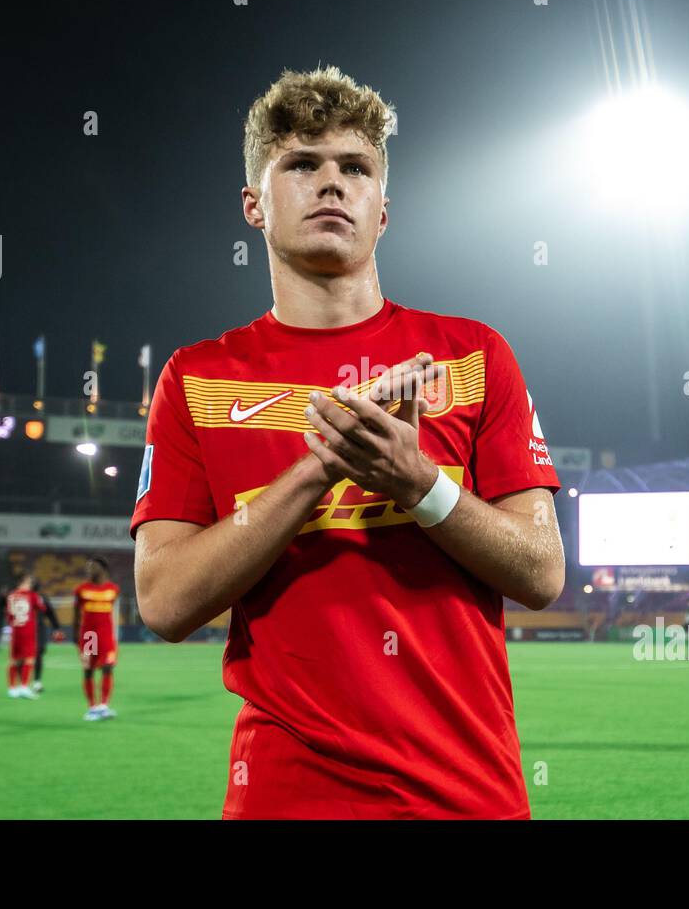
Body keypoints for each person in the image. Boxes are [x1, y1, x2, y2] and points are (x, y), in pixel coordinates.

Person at [131, 66, 564, 819]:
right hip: (283, 798)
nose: (331, 183)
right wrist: (318, 470)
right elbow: (165, 602)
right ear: (253, 205)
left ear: (383, 211)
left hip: (466, 798)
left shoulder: (471, 355)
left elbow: (542, 572)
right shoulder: (196, 378)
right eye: (302, 164)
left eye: (354, 168)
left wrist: (419, 484)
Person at [74, 558, 119, 720]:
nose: (89, 570)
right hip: (89, 637)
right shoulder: (81, 590)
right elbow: (76, 617)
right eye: (87, 567)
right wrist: (75, 639)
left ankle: (104, 706)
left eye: (92, 566)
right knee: (88, 671)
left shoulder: (113, 589)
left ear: (102, 568)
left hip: (106, 636)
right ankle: (92, 707)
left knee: (108, 668)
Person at [5, 575, 45, 699]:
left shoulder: (11, 596)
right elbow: (42, 608)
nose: (31, 583)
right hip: (28, 631)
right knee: (29, 659)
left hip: (15, 630)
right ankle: (24, 687)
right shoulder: (32, 595)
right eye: (29, 581)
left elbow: (9, 615)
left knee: (14, 660)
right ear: (23, 582)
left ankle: (12, 688)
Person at [31, 581, 60, 694]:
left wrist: (56, 627)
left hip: (39, 630)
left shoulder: (42, 598)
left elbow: (50, 613)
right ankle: (25, 683)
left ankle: (37, 682)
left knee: (38, 653)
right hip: (27, 630)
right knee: (28, 656)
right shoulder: (23, 598)